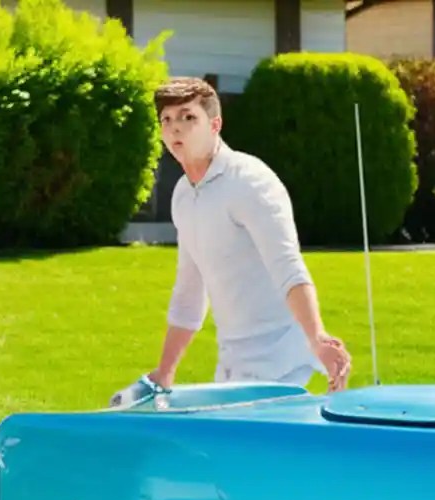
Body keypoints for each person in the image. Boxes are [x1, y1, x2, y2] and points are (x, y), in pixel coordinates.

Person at [143, 77, 352, 394]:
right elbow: (189, 292)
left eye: (188, 117)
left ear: (215, 124)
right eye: (167, 120)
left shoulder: (250, 182)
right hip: (231, 369)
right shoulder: (184, 196)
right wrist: (165, 372)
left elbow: (287, 265)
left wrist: (317, 337)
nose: (175, 128)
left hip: (282, 366)